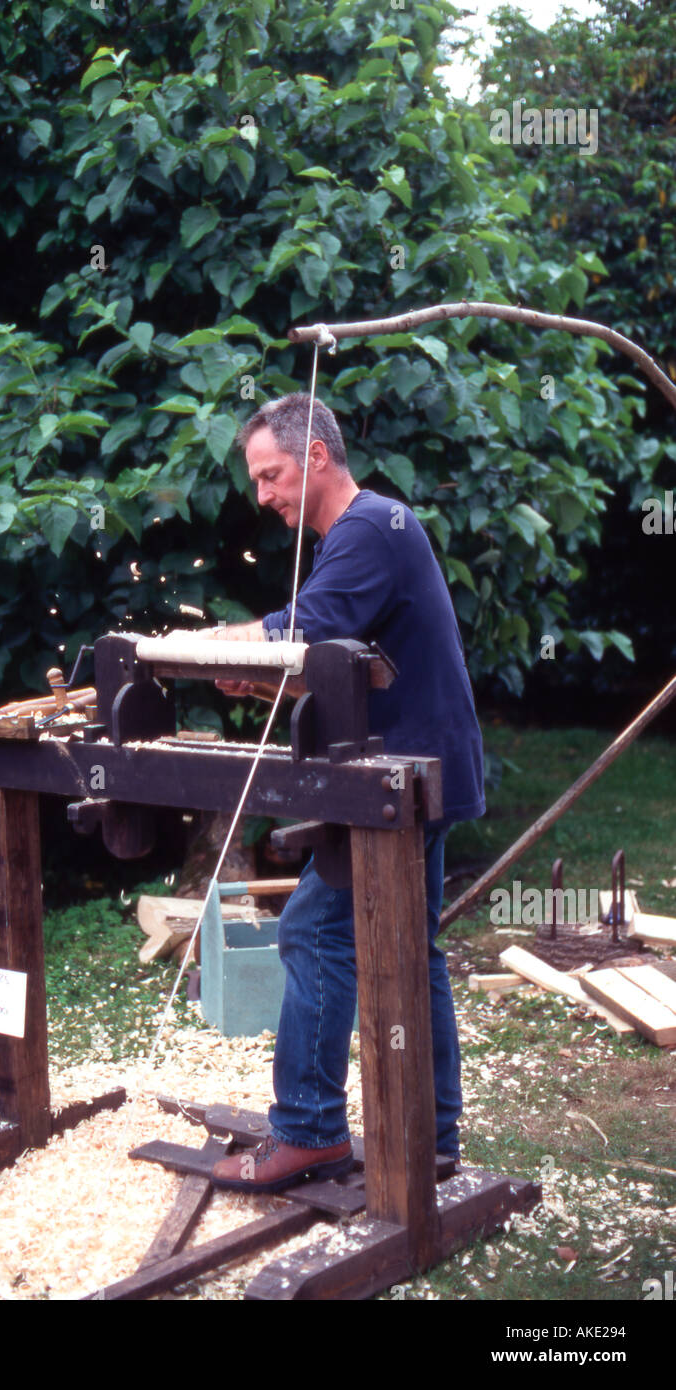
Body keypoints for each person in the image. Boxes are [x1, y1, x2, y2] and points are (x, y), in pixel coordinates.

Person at [206, 392, 485, 1193]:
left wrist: (187, 648)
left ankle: (309, 1131)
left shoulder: (366, 527)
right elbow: (333, 669)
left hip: (402, 781)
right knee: (413, 950)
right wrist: (259, 685)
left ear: (317, 457)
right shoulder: (364, 532)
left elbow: (300, 631)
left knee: (311, 931)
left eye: (270, 475)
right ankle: (431, 1141)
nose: (262, 496)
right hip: (417, 770)